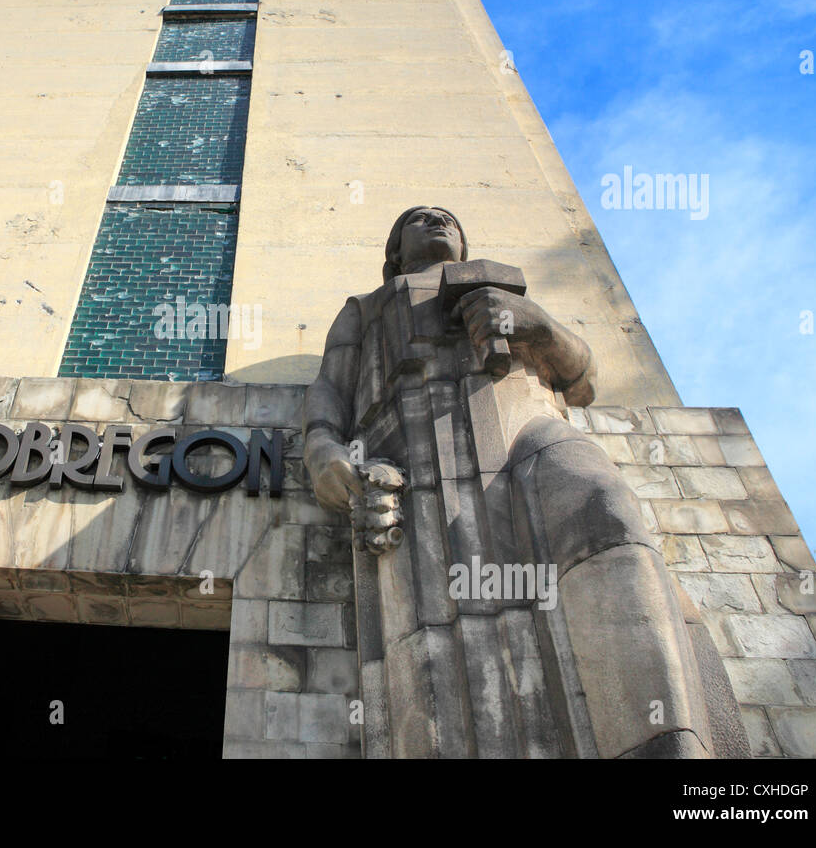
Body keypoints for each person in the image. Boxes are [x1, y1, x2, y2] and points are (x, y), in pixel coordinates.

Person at [302, 206, 743, 758]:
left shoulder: (501, 287)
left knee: (604, 507)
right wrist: (323, 448)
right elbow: (328, 389)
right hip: (407, 444)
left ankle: (671, 749)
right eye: (419, 219)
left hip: (527, 424)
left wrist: (537, 325)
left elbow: (582, 381)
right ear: (394, 251)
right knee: (439, 644)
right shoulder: (363, 310)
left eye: (449, 218)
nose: (437, 222)